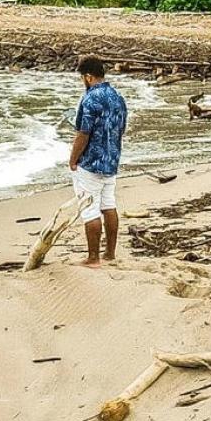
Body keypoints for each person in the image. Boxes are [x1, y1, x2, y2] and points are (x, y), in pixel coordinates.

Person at [68, 56, 127, 269]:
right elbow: (121, 128)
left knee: (89, 209)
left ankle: (93, 258)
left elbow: (83, 133)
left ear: (88, 76)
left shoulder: (90, 98)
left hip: (91, 162)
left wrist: (73, 159)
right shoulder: (117, 97)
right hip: (111, 159)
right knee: (109, 205)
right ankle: (110, 253)